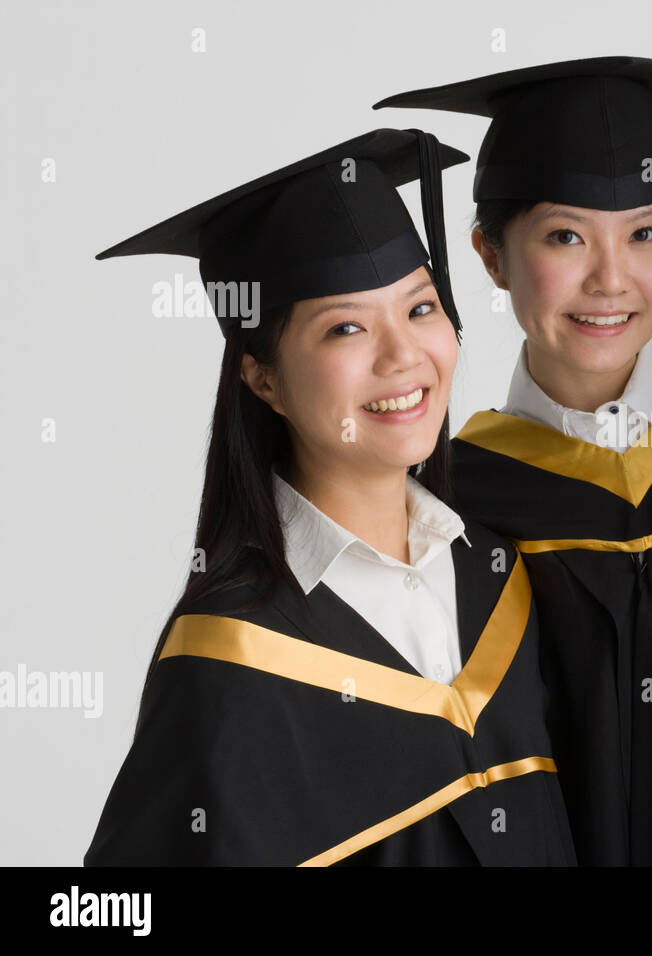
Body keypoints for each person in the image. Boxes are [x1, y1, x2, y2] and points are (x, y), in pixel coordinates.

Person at [84, 128, 575, 866]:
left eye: (419, 308)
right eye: (346, 327)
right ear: (263, 378)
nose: (403, 357)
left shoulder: (500, 576)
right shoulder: (232, 661)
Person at [375, 57, 652, 864]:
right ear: (491, 257)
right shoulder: (449, 502)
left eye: (645, 233)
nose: (611, 280)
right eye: (565, 236)